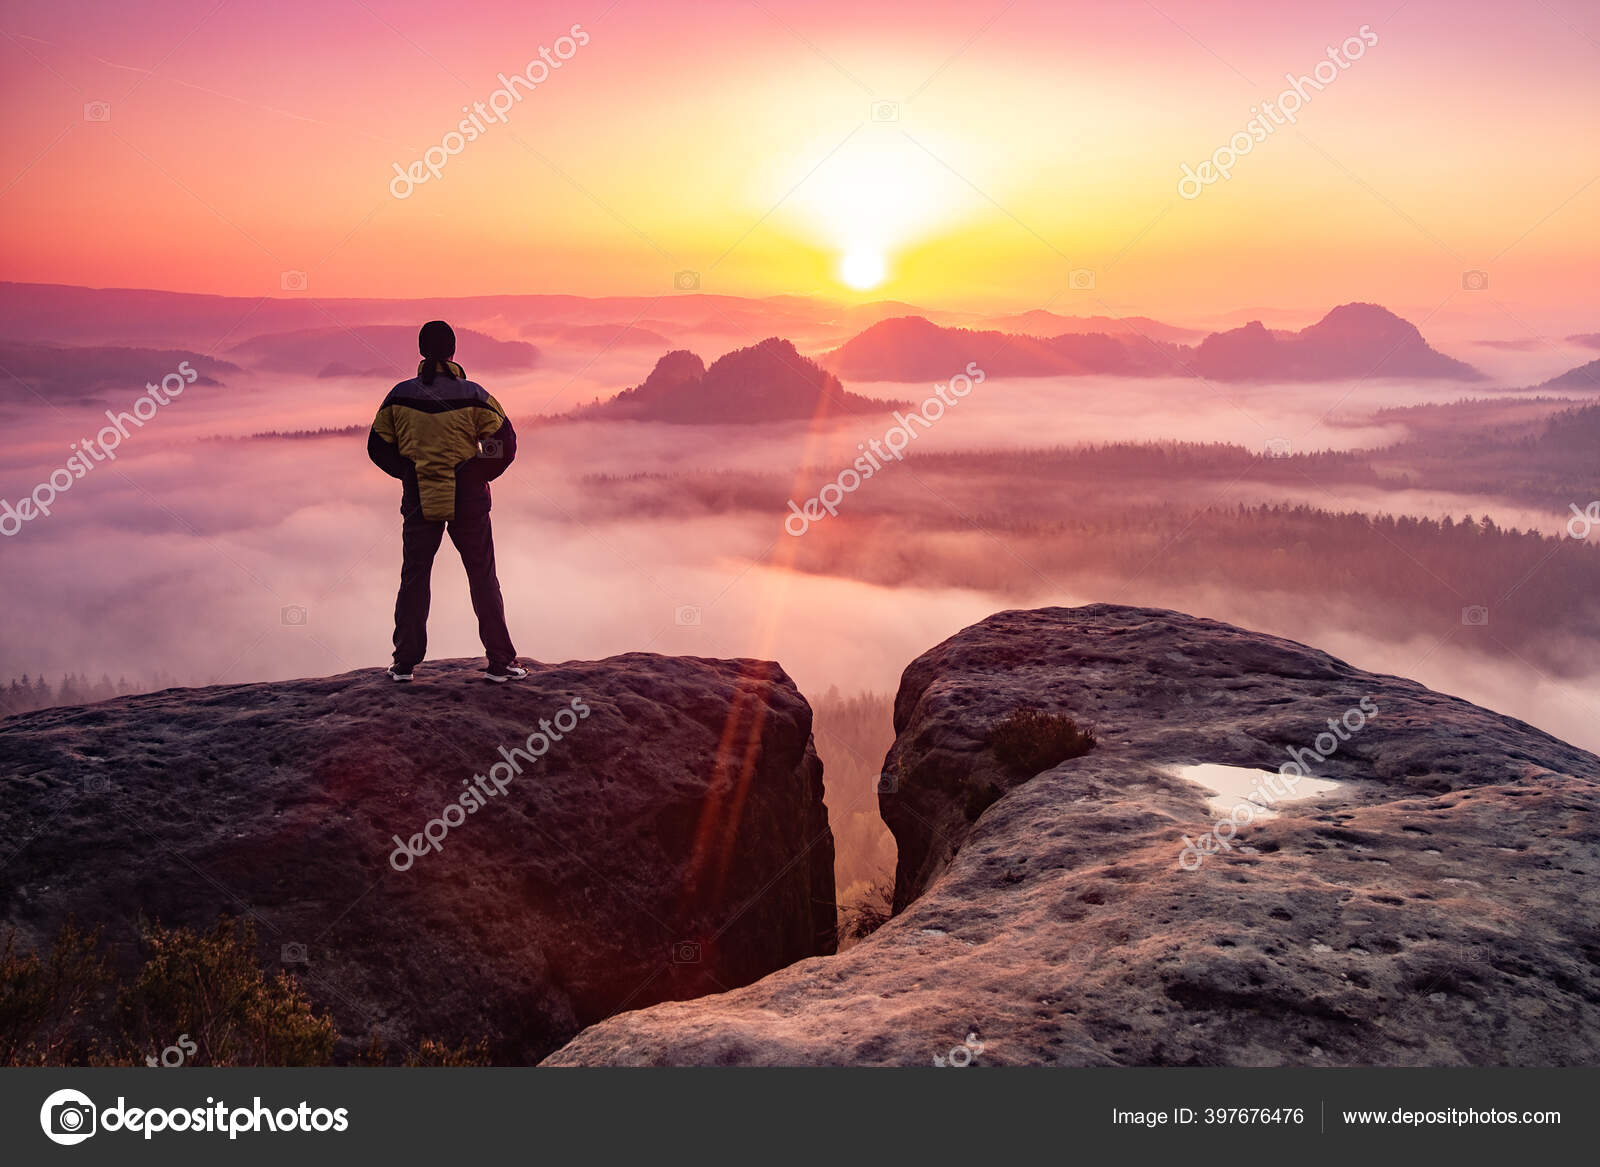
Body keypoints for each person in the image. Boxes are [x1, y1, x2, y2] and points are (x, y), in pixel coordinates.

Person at [367, 320, 525, 682]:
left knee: (414, 578)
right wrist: (474, 473)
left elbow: (377, 447)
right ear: (453, 351)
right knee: (483, 579)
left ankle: (404, 664)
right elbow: (505, 444)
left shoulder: (399, 396)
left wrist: (409, 471)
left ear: (422, 351)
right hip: (468, 502)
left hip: (420, 500)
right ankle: (501, 663)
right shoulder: (474, 395)